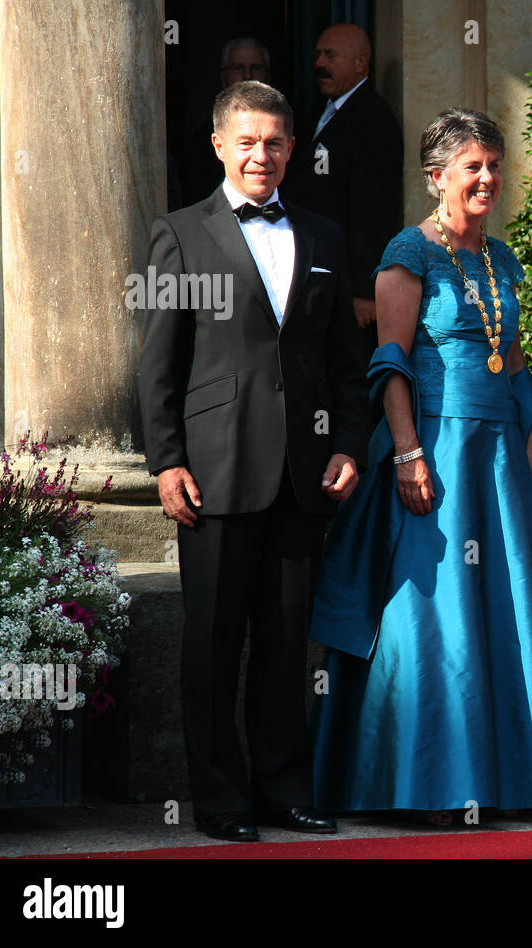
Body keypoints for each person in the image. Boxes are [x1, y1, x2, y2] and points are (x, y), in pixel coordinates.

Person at [308, 108, 532, 820]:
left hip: (497, 452)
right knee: (436, 608)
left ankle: (512, 779)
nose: (488, 177)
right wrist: (406, 453)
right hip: (433, 445)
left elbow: (515, 361)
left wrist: (531, 454)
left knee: (506, 603)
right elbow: (390, 362)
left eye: (494, 164)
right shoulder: (409, 253)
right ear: (437, 179)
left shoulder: (504, 256)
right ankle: (423, 781)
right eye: (472, 167)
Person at [138, 81, 369, 842]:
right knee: (213, 642)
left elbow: (346, 360)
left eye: (274, 142)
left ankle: (283, 791)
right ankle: (221, 802)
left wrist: (346, 444)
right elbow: (157, 363)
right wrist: (165, 461)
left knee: (284, 643)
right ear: (218, 145)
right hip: (213, 470)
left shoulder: (326, 237)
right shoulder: (177, 233)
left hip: (304, 475)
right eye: (246, 141)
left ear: (293, 148)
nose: (260, 154)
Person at [282, 23, 404, 367]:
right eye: (318, 54)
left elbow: (375, 209)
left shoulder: (373, 120)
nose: (320, 63)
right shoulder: (324, 111)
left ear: (361, 62)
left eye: (331, 55)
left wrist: (366, 291)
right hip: (320, 276)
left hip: (351, 291)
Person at [179, 37, 273, 205]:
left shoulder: (293, 133)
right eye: (238, 68)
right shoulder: (202, 141)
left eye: (256, 68)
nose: (248, 75)